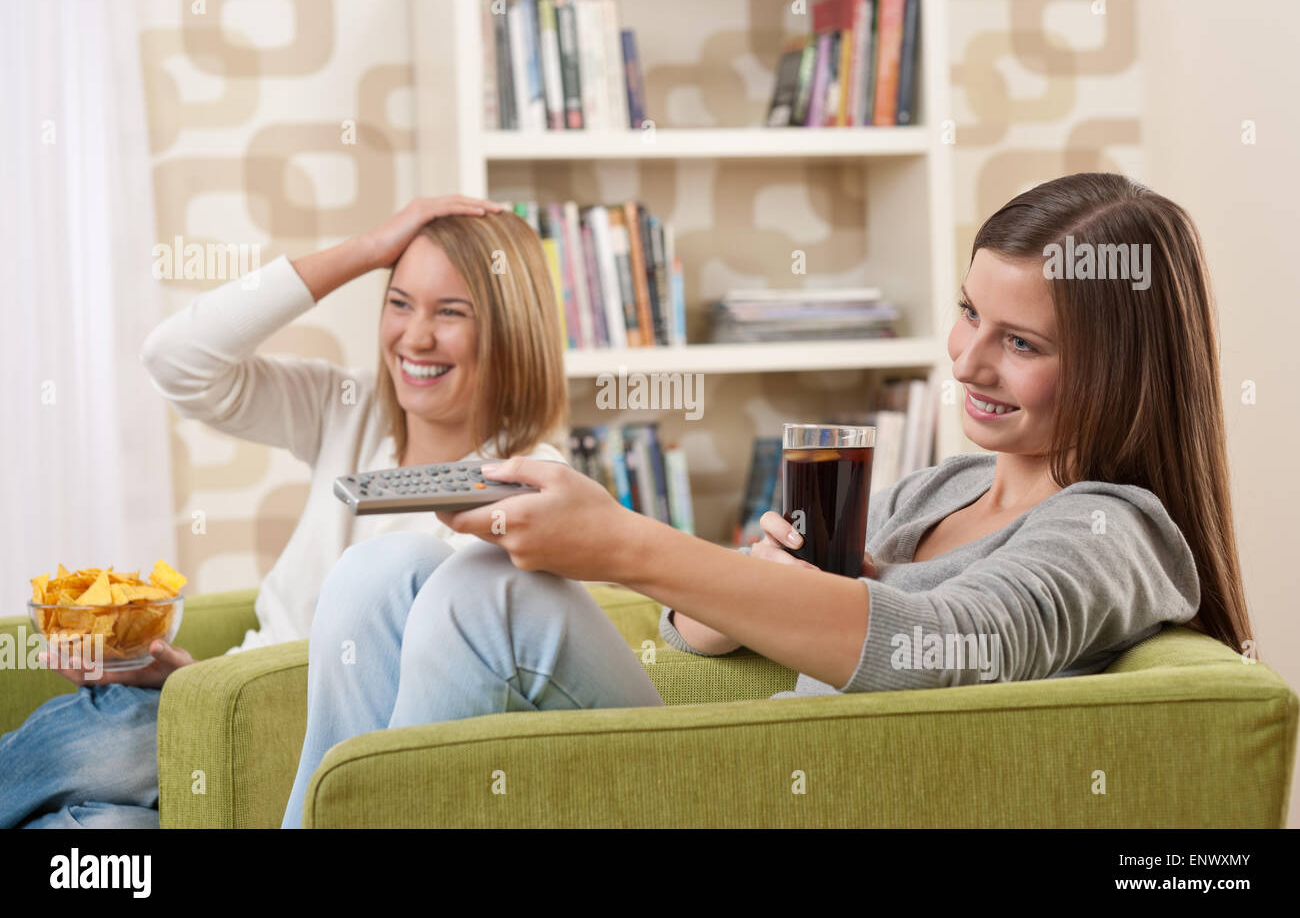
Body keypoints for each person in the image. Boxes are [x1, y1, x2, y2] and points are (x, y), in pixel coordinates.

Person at [282, 172, 1254, 825]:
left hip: (808, 801)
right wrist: (754, 587)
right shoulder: (941, 486)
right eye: (967, 313)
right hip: (765, 763)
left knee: (483, 592)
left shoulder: (1114, 527)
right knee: (386, 566)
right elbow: (714, 631)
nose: (967, 359)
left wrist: (617, 539)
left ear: (1121, 363)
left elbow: (941, 646)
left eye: (1022, 342)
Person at [1, 196, 570, 828]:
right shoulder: (346, 408)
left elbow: (419, 688)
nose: (415, 337)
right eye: (399, 301)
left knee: (113, 740)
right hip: (227, 710)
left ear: (510, 329)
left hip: (321, 752)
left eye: (451, 313)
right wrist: (365, 250)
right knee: (97, 828)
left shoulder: (530, 485)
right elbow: (176, 359)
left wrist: (211, 691)